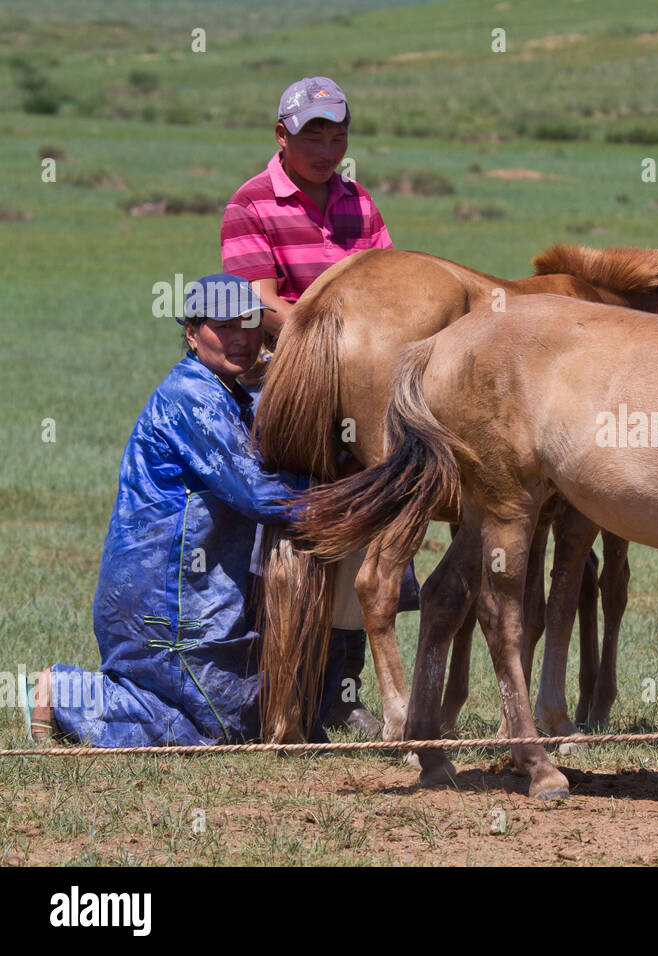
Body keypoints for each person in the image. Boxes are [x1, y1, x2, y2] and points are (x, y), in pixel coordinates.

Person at [27, 275, 315, 746]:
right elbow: (260, 494)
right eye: (224, 326)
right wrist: (351, 497)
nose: (242, 337)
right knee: (233, 729)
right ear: (191, 333)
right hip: (168, 603)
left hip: (193, 595)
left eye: (250, 322)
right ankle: (64, 692)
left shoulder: (230, 394)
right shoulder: (191, 398)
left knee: (261, 715)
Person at [220, 76, 405, 734]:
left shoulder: (360, 205)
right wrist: (344, 349)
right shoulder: (251, 205)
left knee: (361, 527)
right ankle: (283, 689)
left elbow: (390, 291)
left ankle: (343, 687)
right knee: (294, 536)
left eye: (337, 134)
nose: (327, 148)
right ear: (282, 138)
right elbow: (261, 307)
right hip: (288, 389)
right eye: (312, 136)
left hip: (362, 389)